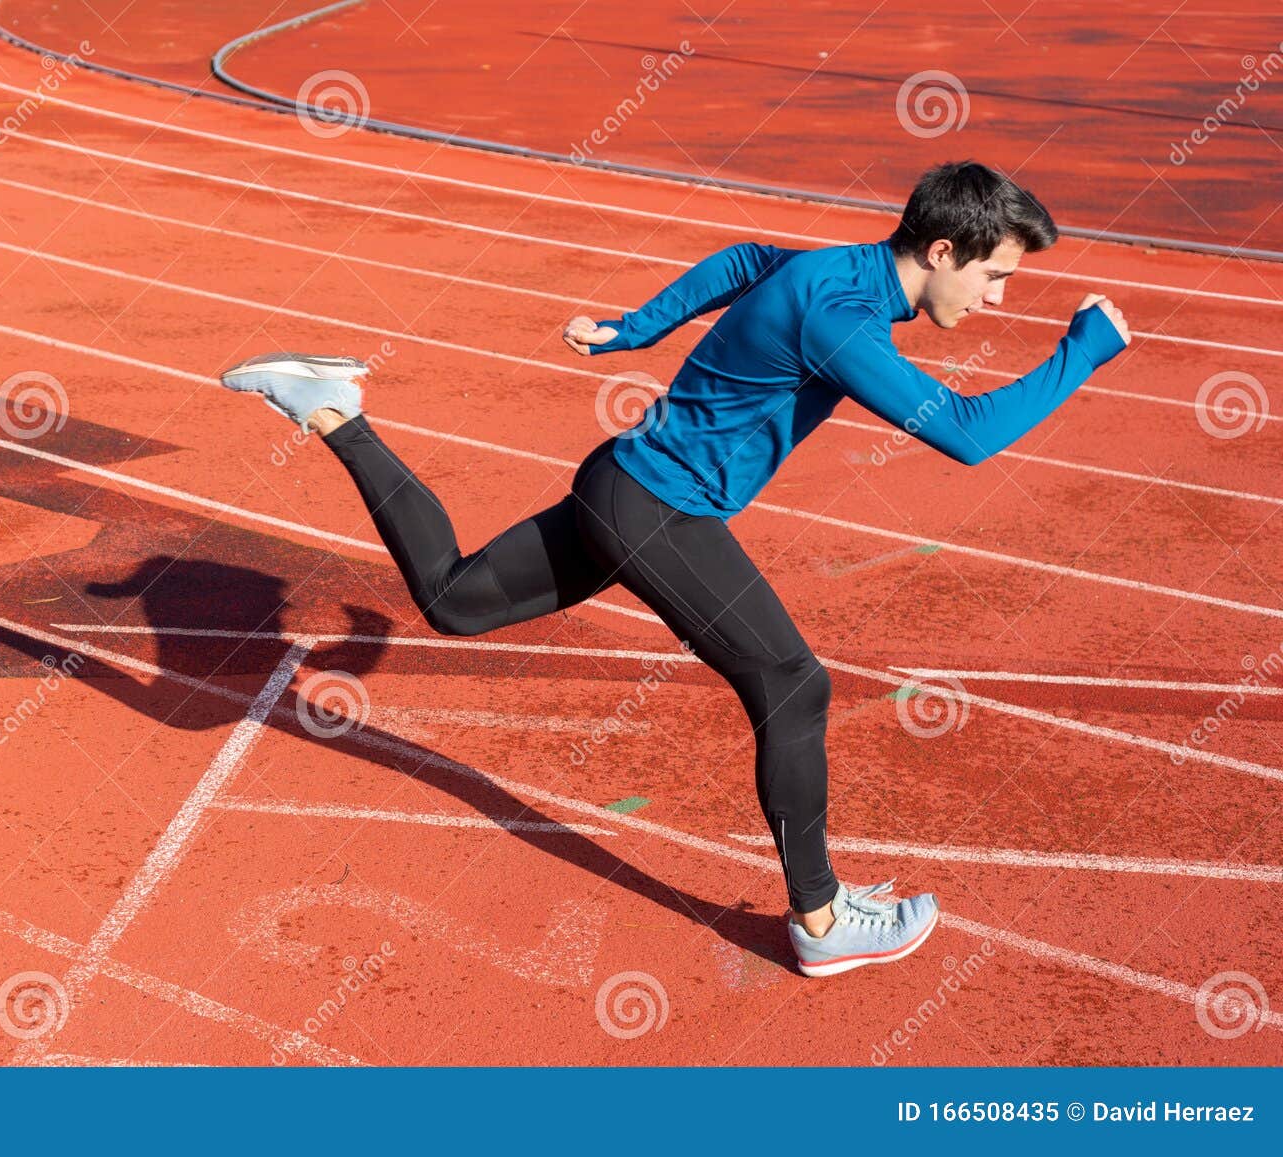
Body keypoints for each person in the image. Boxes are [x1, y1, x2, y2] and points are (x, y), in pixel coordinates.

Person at [219, 160, 1131, 977]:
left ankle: (332, 404)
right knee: (792, 683)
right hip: (658, 508)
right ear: (941, 250)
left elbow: (740, 263)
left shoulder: (839, 267)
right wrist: (1081, 352)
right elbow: (965, 436)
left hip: (624, 488)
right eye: (996, 275)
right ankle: (819, 917)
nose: (1000, 297)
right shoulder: (843, 314)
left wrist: (633, 331)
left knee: (455, 601)